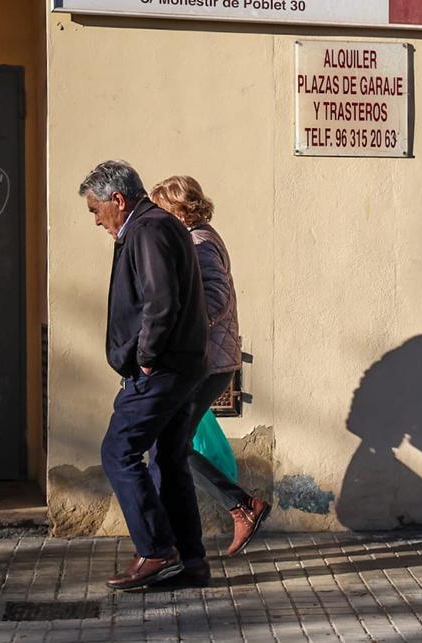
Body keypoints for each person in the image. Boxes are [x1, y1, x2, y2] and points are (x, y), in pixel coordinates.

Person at [79, 160, 209, 590]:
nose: (96, 219)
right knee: (169, 462)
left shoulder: (148, 230)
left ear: (118, 199)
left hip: (162, 368)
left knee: (119, 452)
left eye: (97, 209)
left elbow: (161, 302)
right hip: (180, 364)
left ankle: (156, 550)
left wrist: (147, 356)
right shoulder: (153, 226)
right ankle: (191, 561)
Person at [147, 175, 271, 561]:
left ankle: (237, 507)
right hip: (209, 362)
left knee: (167, 445)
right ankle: (226, 512)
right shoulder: (199, 237)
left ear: (177, 209)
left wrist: (178, 328)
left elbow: (215, 300)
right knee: (167, 445)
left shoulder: (198, 242)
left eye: (160, 209)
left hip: (207, 363)